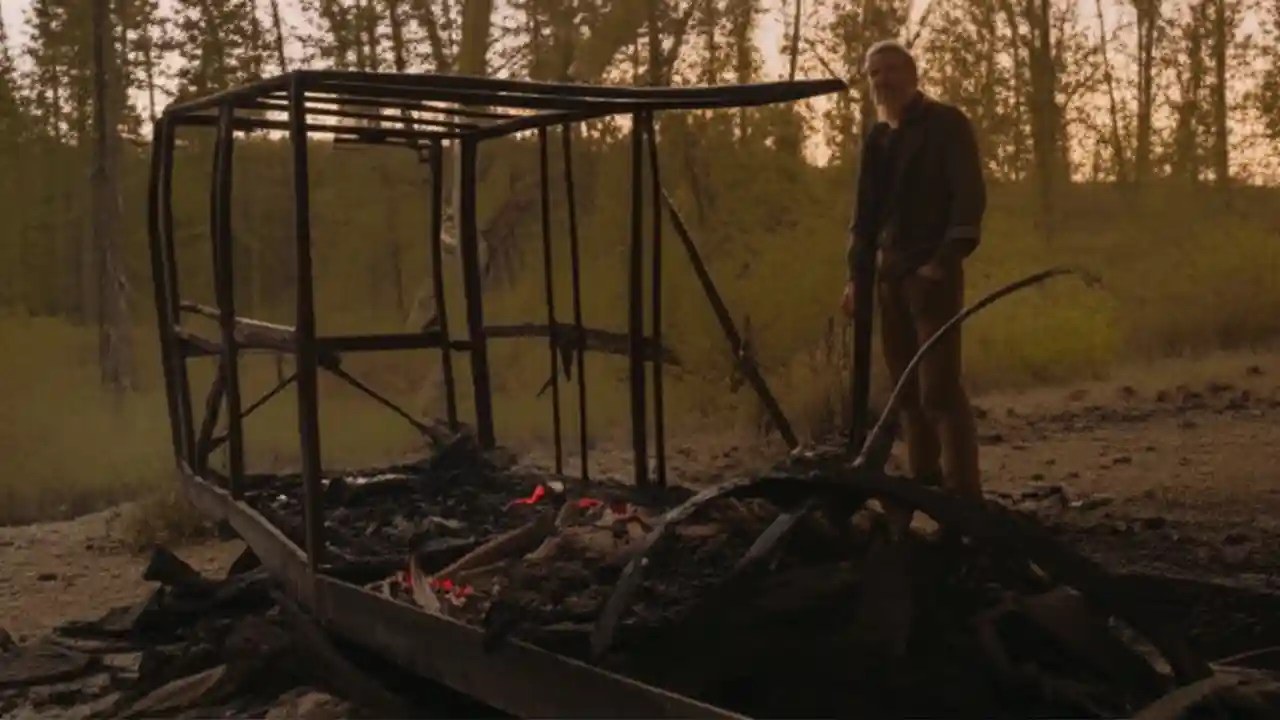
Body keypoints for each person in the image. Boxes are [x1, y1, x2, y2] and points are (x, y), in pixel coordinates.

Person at [840, 39, 986, 502]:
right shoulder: (879, 138)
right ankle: (926, 490)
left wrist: (942, 263)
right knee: (905, 394)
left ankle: (964, 500)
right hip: (888, 279)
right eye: (873, 74)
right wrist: (857, 278)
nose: (881, 81)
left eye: (889, 71)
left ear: (912, 74)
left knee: (938, 390)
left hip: (930, 277)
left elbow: (969, 197)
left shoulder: (946, 124)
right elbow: (865, 215)